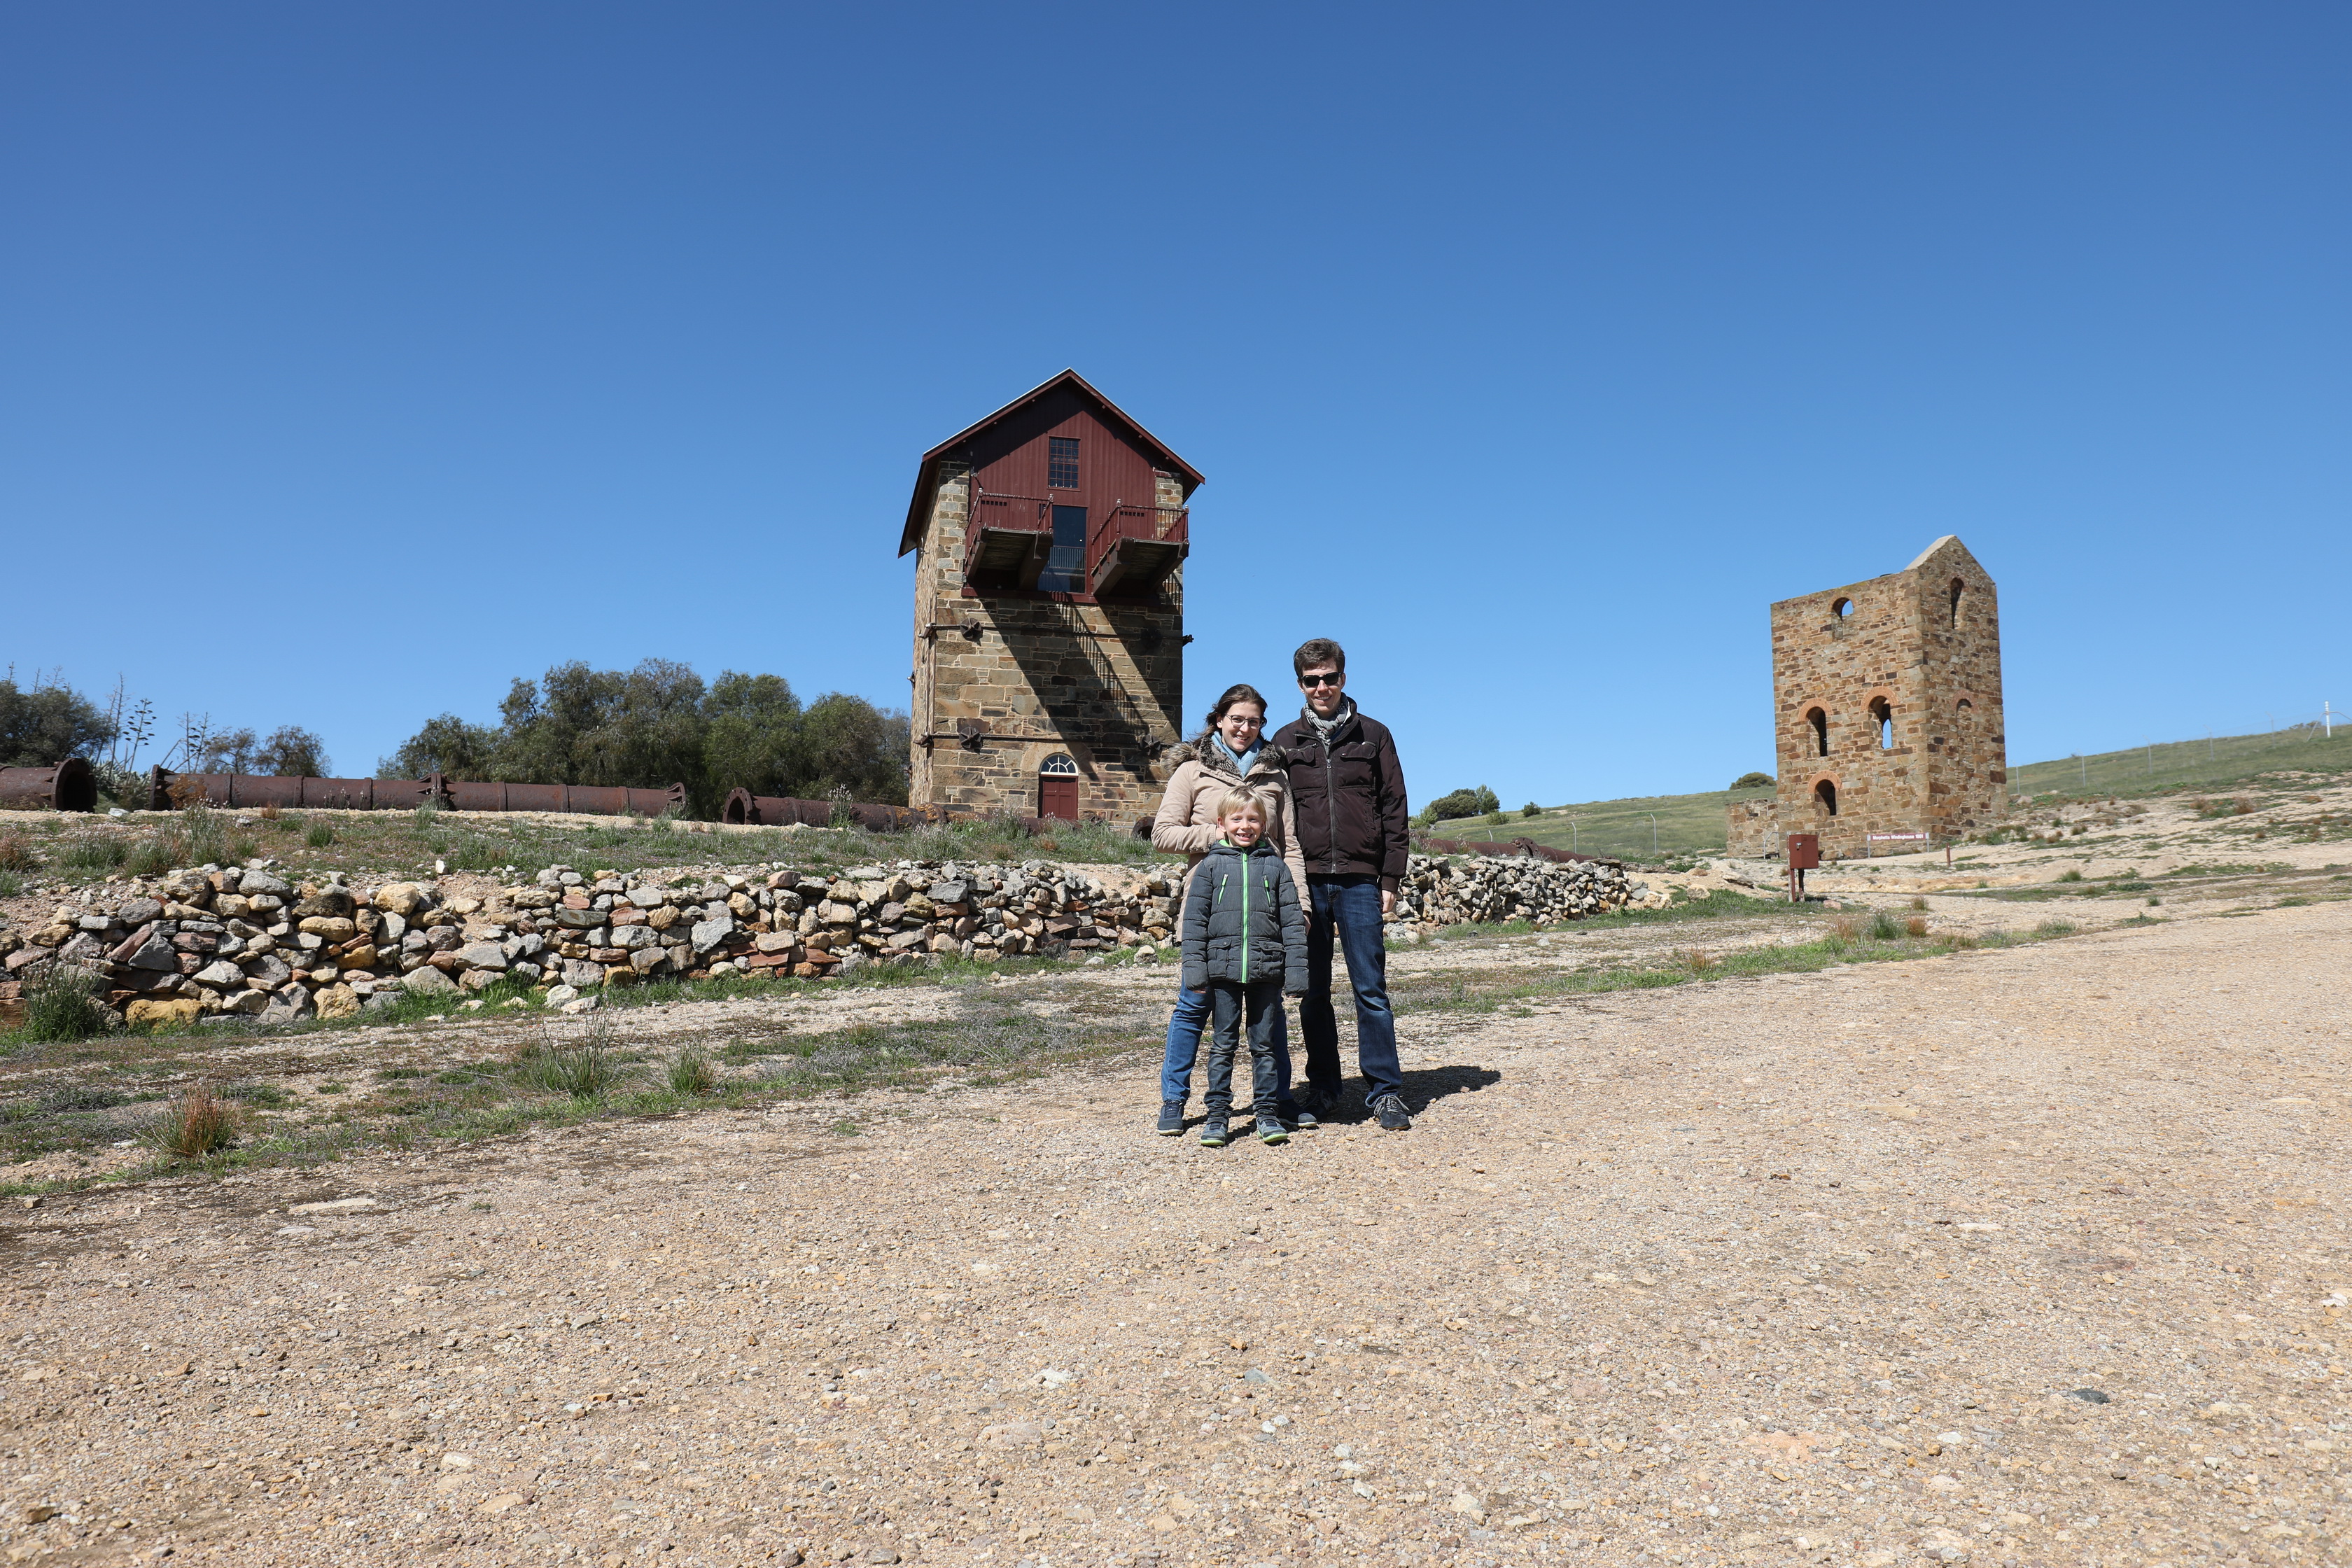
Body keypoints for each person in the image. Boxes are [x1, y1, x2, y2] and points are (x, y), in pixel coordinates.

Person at [1150, 683, 1311, 1136]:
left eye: (1254, 721)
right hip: (1211, 913)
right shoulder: (1192, 772)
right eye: (1236, 718)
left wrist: (1300, 905)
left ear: (1262, 725)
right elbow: (1163, 833)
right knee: (1194, 1005)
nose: (1244, 727)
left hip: (1265, 915)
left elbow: (1290, 846)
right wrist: (1215, 837)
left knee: (1268, 1011)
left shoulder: (1275, 777)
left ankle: (1277, 1100)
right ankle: (1174, 1101)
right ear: (1219, 719)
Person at [1271, 638, 1414, 1131]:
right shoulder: (1285, 743)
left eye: (1330, 678)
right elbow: (1271, 816)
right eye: (1312, 680)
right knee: (1312, 994)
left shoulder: (1374, 735)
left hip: (1360, 882)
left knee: (1370, 990)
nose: (1322, 688)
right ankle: (1325, 1088)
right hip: (1305, 885)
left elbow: (1394, 808)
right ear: (1300, 685)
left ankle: (1385, 1093)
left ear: (1344, 679)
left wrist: (1390, 874)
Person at [1177, 788, 1309, 1147]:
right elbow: (1194, 925)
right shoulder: (1210, 867)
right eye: (1237, 819)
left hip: (1267, 972)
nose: (1245, 826)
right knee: (1222, 1044)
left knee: (1265, 1045)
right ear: (1221, 824)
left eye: (1253, 819)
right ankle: (1218, 1114)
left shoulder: (1276, 867)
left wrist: (1297, 973)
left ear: (1264, 825)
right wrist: (1195, 972)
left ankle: (1266, 1112)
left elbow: (1293, 924)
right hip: (1222, 972)